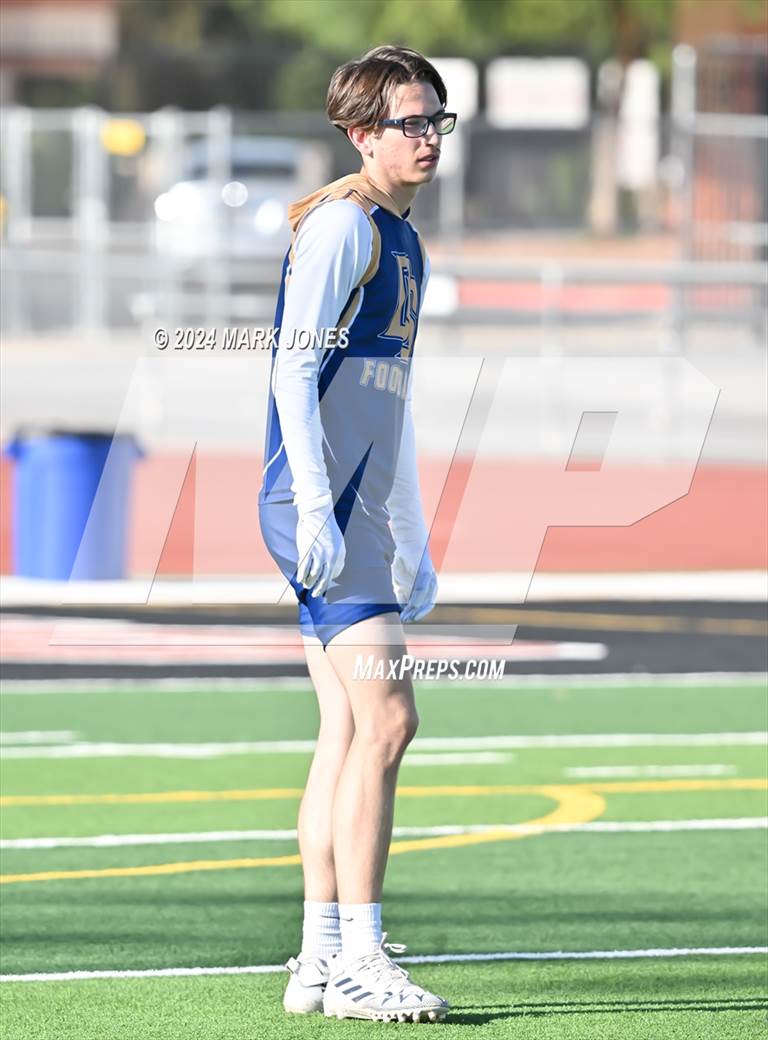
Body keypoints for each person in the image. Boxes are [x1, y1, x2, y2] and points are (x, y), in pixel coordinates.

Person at [258, 44, 457, 1024]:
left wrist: (410, 528)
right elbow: (295, 370)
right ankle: (362, 959)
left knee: (345, 727)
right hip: (324, 504)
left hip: (361, 508)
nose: (424, 137)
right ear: (359, 131)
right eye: (407, 121)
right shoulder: (343, 226)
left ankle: (318, 953)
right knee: (389, 722)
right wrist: (311, 503)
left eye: (434, 119)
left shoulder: (402, 237)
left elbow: (392, 399)